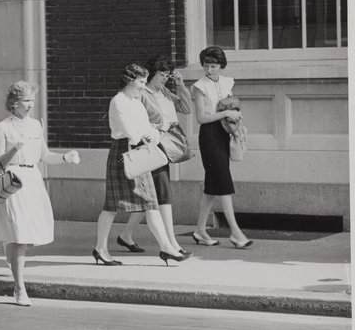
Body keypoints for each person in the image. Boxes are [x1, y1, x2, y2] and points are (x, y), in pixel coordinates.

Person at [0, 81, 81, 306]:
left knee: (25, 236)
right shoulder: (4, 127)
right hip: (13, 181)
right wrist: (15, 148)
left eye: (32, 100)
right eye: (25, 100)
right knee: (19, 236)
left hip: (32, 180)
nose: (29, 104)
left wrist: (64, 157)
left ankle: (10, 252)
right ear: (14, 102)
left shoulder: (36, 125)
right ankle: (19, 288)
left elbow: (45, 155)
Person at [93, 64, 188, 266]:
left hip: (140, 152)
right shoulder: (118, 101)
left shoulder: (136, 102)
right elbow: (130, 131)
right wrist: (144, 134)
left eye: (145, 82)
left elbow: (149, 127)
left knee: (150, 202)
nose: (143, 87)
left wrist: (151, 134)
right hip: (124, 153)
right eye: (141, 82)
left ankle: (166, 248)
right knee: (112, 206)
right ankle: (100, 249)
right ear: (130, 80)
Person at [118, 55, 193, 256]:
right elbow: (136, 120)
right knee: (163, 194)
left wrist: (180, 84)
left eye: (168, 75)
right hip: (152, 147)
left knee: (151, 196)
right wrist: (157, 127)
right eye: (162, 74)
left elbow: (186, 108)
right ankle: (172, 243)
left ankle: (126, 235)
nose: (165, 78)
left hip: (167, 146)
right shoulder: (143, 94)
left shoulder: (166, 92)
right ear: (152, 74)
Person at [190, 45, 251, 248]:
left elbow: (231, 105)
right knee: (224, 182)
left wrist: (235, 118)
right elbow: (200, 118)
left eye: (213, 66)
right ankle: (235, 232)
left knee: (212, 187)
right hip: (209, 136)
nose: (209, 70)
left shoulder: (227, 82)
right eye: (206, 66)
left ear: (221, 66)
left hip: (225, 134)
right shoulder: (199, 87)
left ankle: (199, 230)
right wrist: (225, 114)